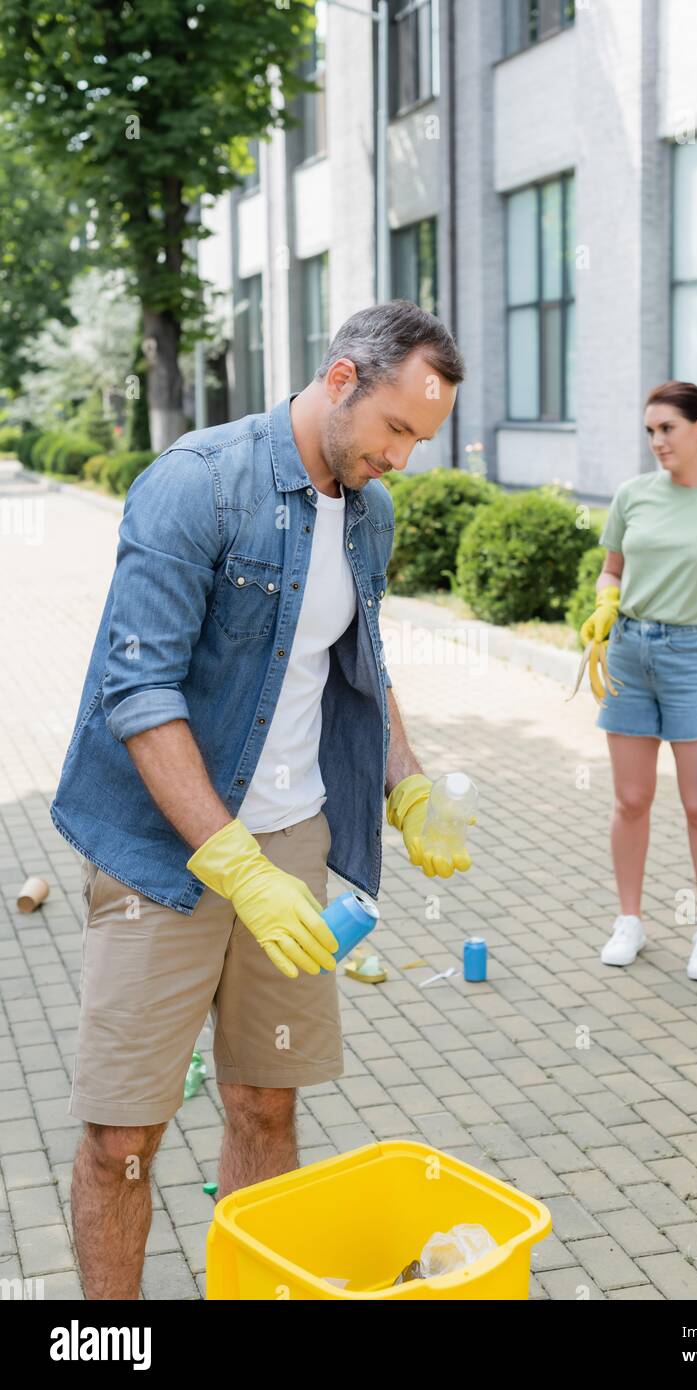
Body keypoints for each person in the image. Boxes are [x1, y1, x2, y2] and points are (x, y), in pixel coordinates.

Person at [50, 300, 470, 1299]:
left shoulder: (370, 511)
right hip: (166, 851)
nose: (403, 458)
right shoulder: (195, 487)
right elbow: (139, 693)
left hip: (295, 844)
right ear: (340, 380)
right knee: (121, 1139)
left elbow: (360, 658)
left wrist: (406, 780)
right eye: (396, 430)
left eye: (421, 439)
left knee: (266, 1110)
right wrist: (229, 860)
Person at [581, 380, 697, 983]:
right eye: (649, 431)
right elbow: (610, 570)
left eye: (666, 429)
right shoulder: (632, 496)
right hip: (631, 655)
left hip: (693, 657)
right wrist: (606, 608)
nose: (657, 442)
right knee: (631, 799)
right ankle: (629, 921)